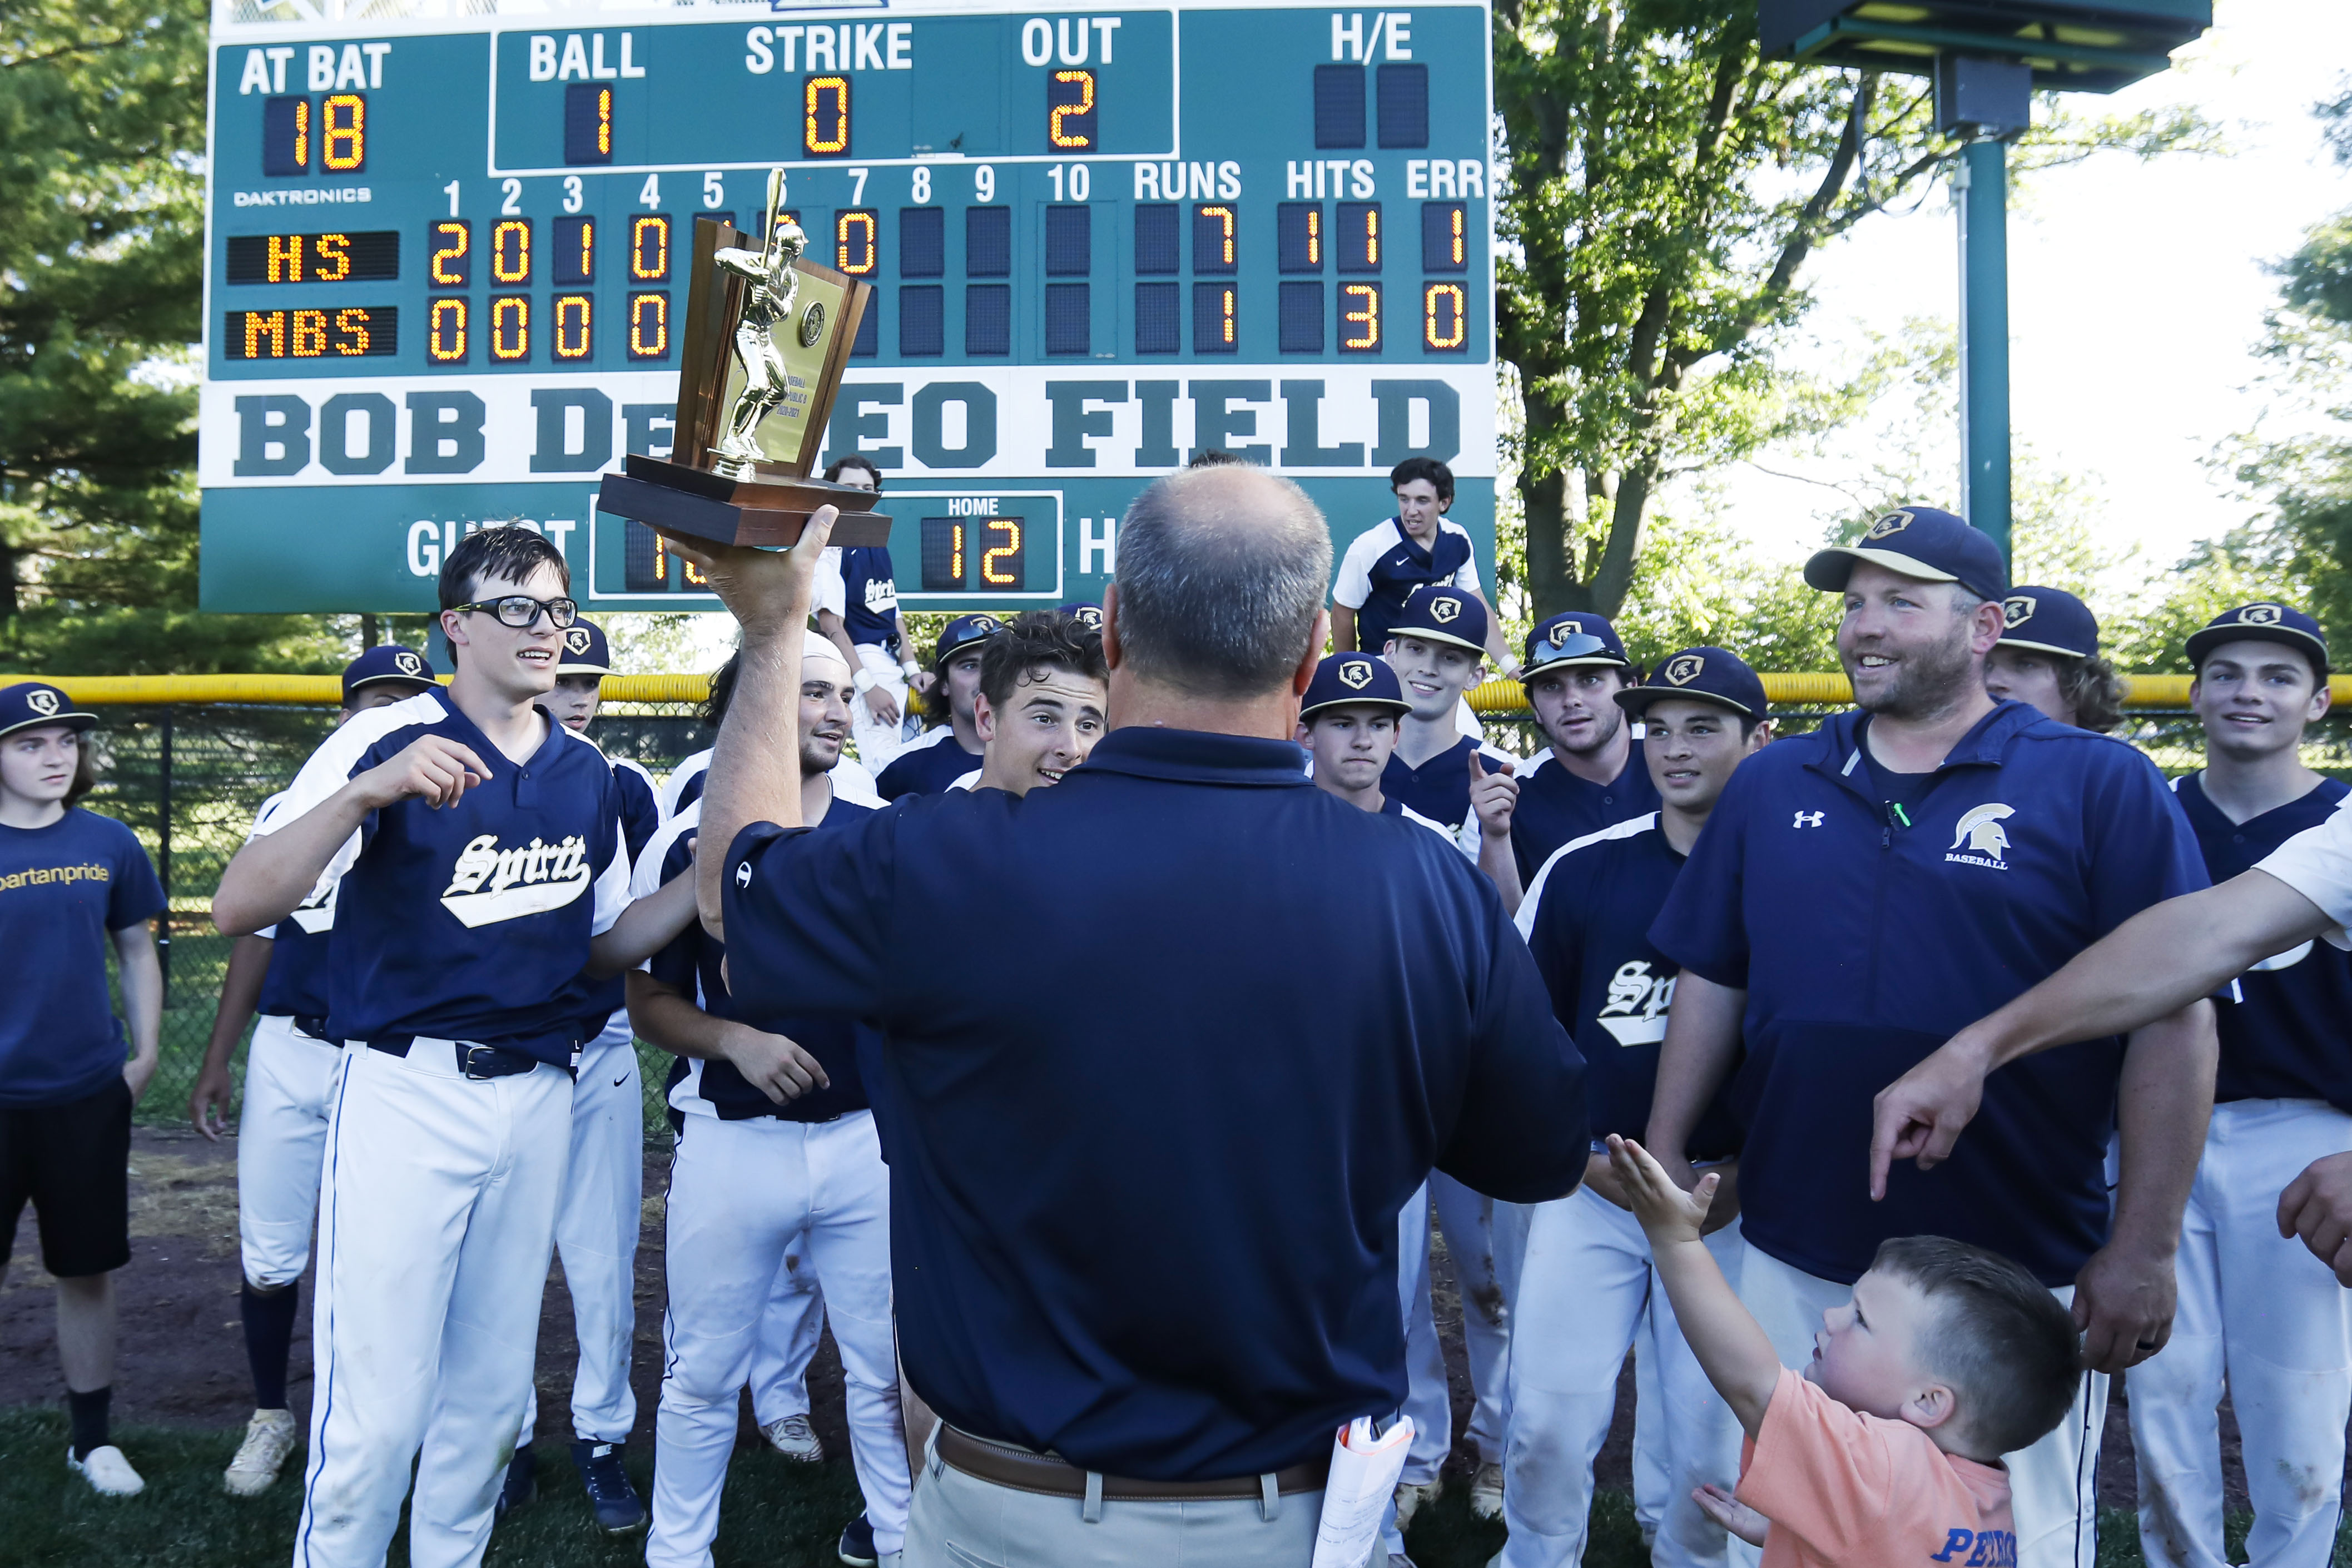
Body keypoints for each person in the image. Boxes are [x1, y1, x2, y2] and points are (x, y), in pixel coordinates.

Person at [663, 462, 1587, 1566]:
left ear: (1111, 633)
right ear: (1309, 657)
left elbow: (729, 890)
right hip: (1287, 1523)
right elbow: (1537, 1152)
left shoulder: (944, 862)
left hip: (1013, 1515)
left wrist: (775, 636)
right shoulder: (1425, 889)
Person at [1644, 507, 2215, 1568]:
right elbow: (1713, 973)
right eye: (1855, 602)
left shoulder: (2098, 780)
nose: (1865, 626)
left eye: (1901, 603)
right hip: (1795, 1235)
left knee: (2012, 1543)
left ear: (1983, 627)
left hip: (2010, 1256)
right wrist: (1670, 1146)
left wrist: (2145, 1245)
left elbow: (2176, 1014)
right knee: (1791, 1529)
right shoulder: (1775, 779)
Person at [210, 527, 673, 1568]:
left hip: (540, 1096)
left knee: (489, 1403)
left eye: (557, 609)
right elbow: (239, 904)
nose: (545, 629)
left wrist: (700, 879)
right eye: (517, 608)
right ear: (455, 626)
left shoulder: (586, 772)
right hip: (406, 1090)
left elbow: (602, 949)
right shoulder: (390, 735)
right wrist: (366, 792)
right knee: (377, 1414)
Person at [630, 631, 910, 1568]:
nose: (836, 711)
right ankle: (678, 1553)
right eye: (810, 691)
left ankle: (902, 1541)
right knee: (703, 1373)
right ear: (752, 705)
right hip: (731, 1141)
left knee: (885, 1375)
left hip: (867, 1142)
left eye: (842, 695)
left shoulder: (880, 829)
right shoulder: (687, 839)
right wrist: (733, 1040)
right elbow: (644, 998)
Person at [1501, 648, 1773, 1568]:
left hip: (1730, 1203)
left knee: (1712, 1443)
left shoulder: (1797, 871)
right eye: (1658, 728)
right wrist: (1580, 1161)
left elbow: (1815, 1051)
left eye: (1702, 727)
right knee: (1546, 1419)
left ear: (1759, 738)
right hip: (1596, 1188)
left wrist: (1745, 1176)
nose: (1674, 748)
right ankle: (1535, 1558)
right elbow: (1520, 1040)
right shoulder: (1585, 867)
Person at [188, 646, 440, 1499]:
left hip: (388, 1054)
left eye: (406, 702)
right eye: (373, 700)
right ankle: (271, 1414)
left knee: (383, 1256)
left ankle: (373, 1422)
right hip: (293, 1046)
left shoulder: (447, 808)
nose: (388, 715)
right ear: (342, 716)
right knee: (269, 1255)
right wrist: (218, 1057)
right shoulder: (294, 807)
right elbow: (254, 937)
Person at [1606, 1133, 2081, 1568]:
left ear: (1929, 1402)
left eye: (1861, 1319)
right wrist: (1803, 1531)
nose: (1832, 1318)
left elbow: (1752, 1385)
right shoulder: (1986, 1503)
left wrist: (1676, 1240)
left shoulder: (1889, 1473)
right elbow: (1893, 1539)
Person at [492, 616, 668, 1528]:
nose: (576, 698)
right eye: (564, 678)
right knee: (502, 1260)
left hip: (595, 1050)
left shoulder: (622, 783)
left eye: (590, 683)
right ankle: (509, 1434)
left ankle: (602, 1439)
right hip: (506, 1058)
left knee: (601, 1264)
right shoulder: (481, 771)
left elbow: (630, 923)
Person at [0, 680, 163, 1498]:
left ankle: (92, 1442)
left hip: (85, 1093)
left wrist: (146, 1053)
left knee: (87, 1269)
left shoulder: (109, 840)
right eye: (30, 744)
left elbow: (135, 948)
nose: (54, 756)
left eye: (65, 741)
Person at [1507, 613, 1660, 885]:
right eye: (1551, 686)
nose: (1572, 700)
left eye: (1590, 680)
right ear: (1535, 707)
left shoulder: (1678, 762)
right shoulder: (1511, 795)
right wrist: (1495, 837)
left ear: (1628, 689)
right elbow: (1499, 912)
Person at [1331, 456, 1519, 674]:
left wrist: (1511, 667)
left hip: (1439, 667)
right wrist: (1349, 674)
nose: (1411, 510)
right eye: (1404, 499)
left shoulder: (1457, 539)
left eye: (1422, 500)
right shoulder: (1369, 548)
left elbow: (1479, 609)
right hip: (1386, 667)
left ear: (1444, 503)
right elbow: (1342, 614)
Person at [660, 651, 880, 819]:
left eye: (846, 699)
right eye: (816, 694)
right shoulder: (695, 775)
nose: (841, 716)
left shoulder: (862, 787)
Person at [813, 456, 927, 771]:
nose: (860, 494)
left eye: (867, 488)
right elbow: (831, 626)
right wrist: (867, 686)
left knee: (908, 761)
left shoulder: (876, 541)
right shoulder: (830, 547)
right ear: (833, 492)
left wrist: (912, 668)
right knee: (883, 766)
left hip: (891, 661)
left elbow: (892, 610)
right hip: (864, 661)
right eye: (850, 487)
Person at [947, 610, 1108, 795]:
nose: (1072, 749)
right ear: (986, 720)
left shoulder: (1116, 811)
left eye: (1087, 725)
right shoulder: (931, 813)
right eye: (1045, 719)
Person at [874, 614, 1000, 801]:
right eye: (970, 666)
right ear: (944, 684)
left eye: (998, 665)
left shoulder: (1041, 755)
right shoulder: (898, 767)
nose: (986, 678)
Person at [1982, 587, 2128, 733]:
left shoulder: (2109, 750)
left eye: (2025, 665)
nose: (1991, 682)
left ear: (2080, 687)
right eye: (1985, 665)